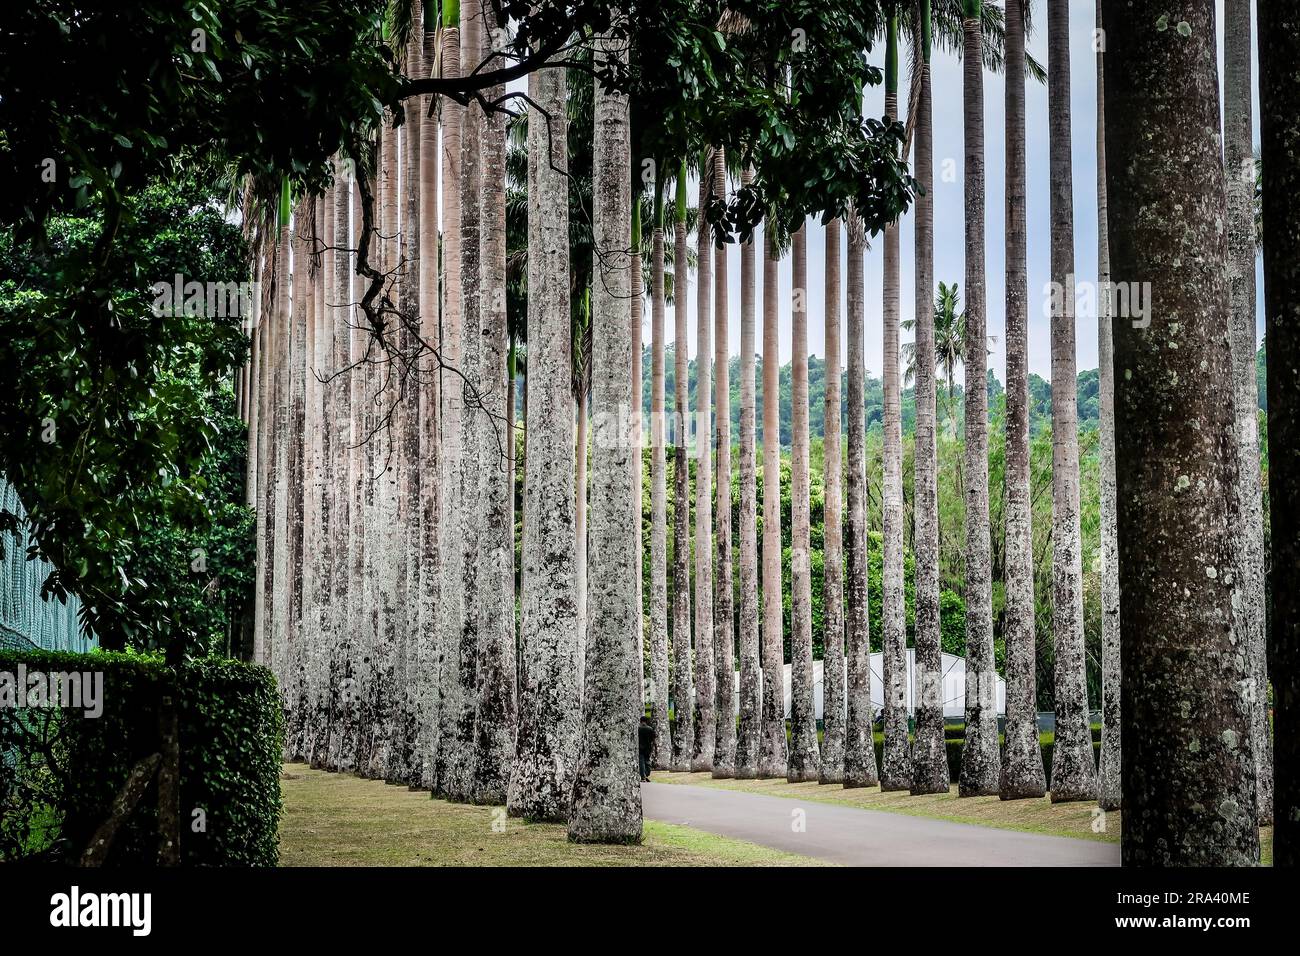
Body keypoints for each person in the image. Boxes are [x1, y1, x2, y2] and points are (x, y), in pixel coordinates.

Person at [637, 715, 655, 782]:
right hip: (648, 748)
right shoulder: (650, 729)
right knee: (647, 762)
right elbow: (653, 739)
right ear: (646, 721)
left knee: (641, 762)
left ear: (640, 721)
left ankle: (643, 776)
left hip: (640, 747)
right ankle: (647, 774)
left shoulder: (638, 728)